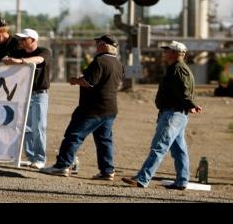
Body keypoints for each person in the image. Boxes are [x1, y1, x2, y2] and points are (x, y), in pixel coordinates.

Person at [40, 35, 124, 179]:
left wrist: (75, 80)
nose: (96, 46)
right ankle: (107, 171)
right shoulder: (117, 63)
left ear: (104, 45)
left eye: (98, 43)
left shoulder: (100, 60)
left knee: (73, 136)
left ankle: (62, 165)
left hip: (92, 109)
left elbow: (89, 82)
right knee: (104, 141)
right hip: (110, 108)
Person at [122, 41, 203, 190]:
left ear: (174, 53)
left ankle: (142, 178)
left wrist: (191, 104)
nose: (164, 53)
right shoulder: (177, 68)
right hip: (177, 114)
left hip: (173, 114)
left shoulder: (178, 69)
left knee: (159, 146)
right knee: (179, 150)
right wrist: (189, 105)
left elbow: (184, 91)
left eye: (167, 50)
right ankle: (182, 181)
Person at [2, 28, 51, 169]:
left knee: (39, 126)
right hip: (23, 94)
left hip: (39, 94)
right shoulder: (17, 52)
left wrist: (19, 61)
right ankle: (30, 156)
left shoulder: (44, 51)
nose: (21, 41)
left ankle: (40, 158)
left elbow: (39, 60)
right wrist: (8, 60)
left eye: (24, 39)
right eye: (20, 39)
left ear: (33, 40)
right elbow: (5, 59)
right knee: (26, 127)